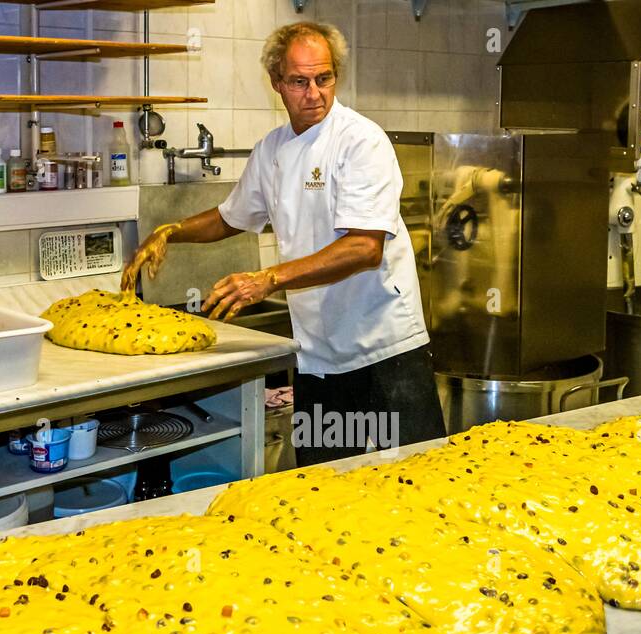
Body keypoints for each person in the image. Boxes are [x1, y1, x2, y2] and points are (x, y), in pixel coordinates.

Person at [121, 21, 446, 466]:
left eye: (324, 78)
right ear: (277, 82)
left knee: (414, 477)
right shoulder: (272, 149)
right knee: (321, 483)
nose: (314, 93)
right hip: (318, 354)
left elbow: (363, 248)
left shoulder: (360, 142)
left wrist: (268, 278)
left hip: (382, 349)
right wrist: (171, 231)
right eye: (299, 81)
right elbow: (229, 217)